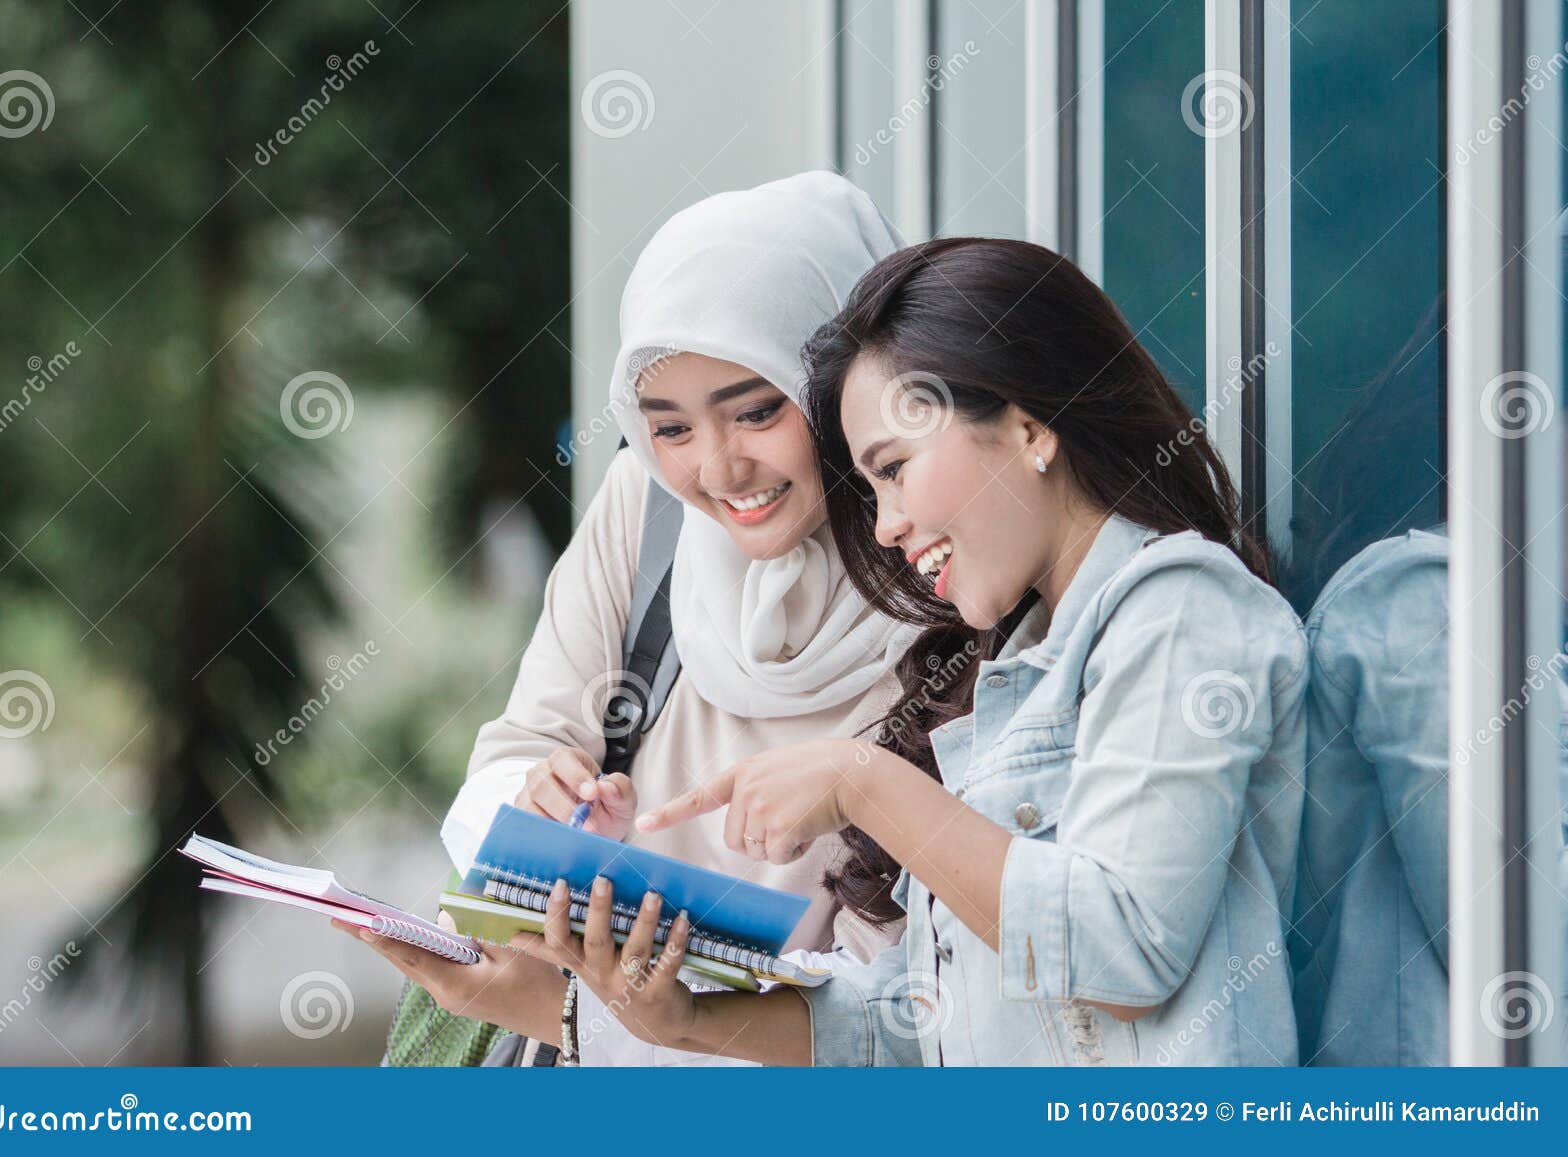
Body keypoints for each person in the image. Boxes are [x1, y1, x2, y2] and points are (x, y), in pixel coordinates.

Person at [514, 236, 1310, 1066]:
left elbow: (1125, 950)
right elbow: (916, 1016)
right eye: (870, 484)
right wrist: (686, 1017)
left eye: (894, 468)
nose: (886, 525)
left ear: (1029, 427)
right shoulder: (1019, 669)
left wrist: (863, 784)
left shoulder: (1182, 608)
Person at [337, 171, 918, 1065]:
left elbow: (901, 1012)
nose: (720, 471)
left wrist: (596, 1013)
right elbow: (519, 746)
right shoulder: (649, 513)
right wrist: (547, 799)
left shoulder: (946, 579)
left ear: (850, 382)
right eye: (671, 429)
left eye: (757, 410)